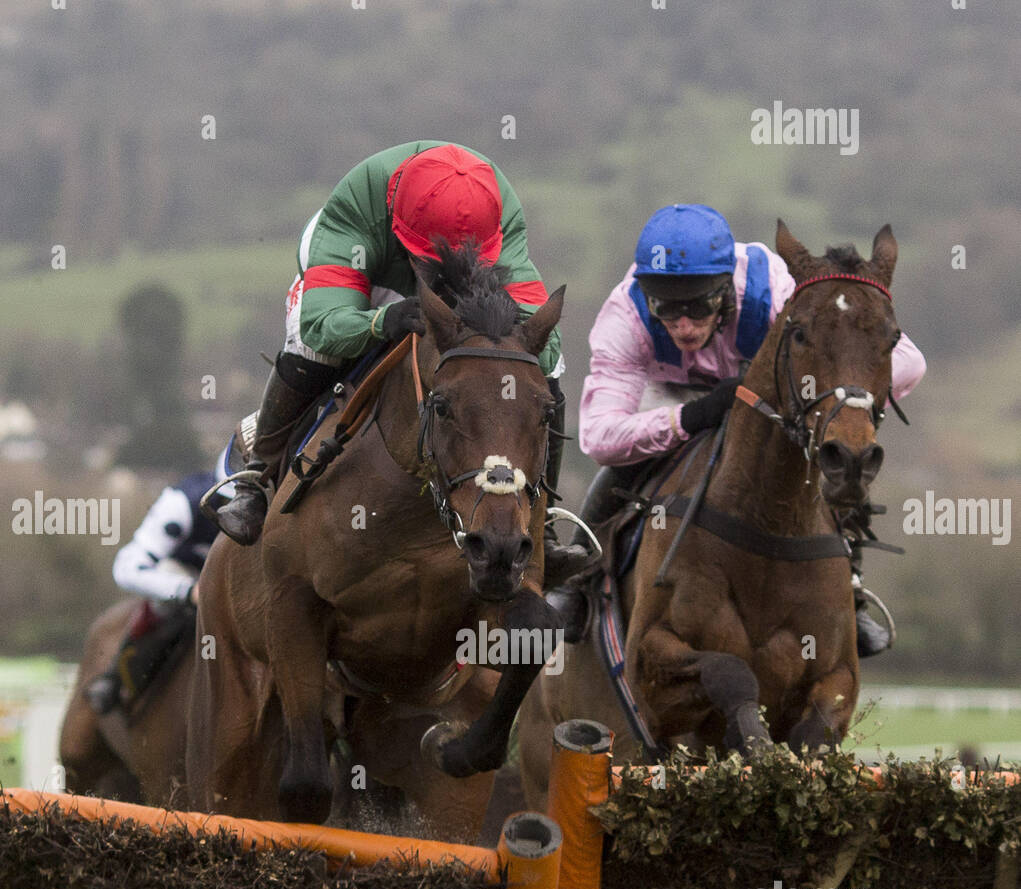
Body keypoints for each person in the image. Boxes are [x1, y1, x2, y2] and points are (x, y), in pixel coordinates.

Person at [551, 204, 927, 654]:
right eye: (666, 308)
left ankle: (851, 586)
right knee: (623, 464)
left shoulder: (775, 291)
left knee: (827, 460)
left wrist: (819, 401)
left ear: (726, 288)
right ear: (647, 295)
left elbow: (909, 363)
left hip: (769, 396)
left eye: (699, 306)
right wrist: (692, 416)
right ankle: (578, 579)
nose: (683, 326)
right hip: (669, 395)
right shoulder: (626, 316)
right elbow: (600, 437)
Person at [214, 140, 583, 580]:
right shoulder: (357, 204)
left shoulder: (497, 206)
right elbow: (320, 324)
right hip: (366, 271)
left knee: (548, 367)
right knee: (314, 347)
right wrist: (378, 321)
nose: (440, 269)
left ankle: (543, 521)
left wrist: (515, 339)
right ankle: (256, 477)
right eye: (431, 260)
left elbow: (545, 343)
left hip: (471, 267)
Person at [85, 449, 230, 713]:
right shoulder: (183, 501)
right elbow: (127, 568)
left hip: (237, 579)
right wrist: (187, 590)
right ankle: (117, 678)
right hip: (187, 575)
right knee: (167, 593)